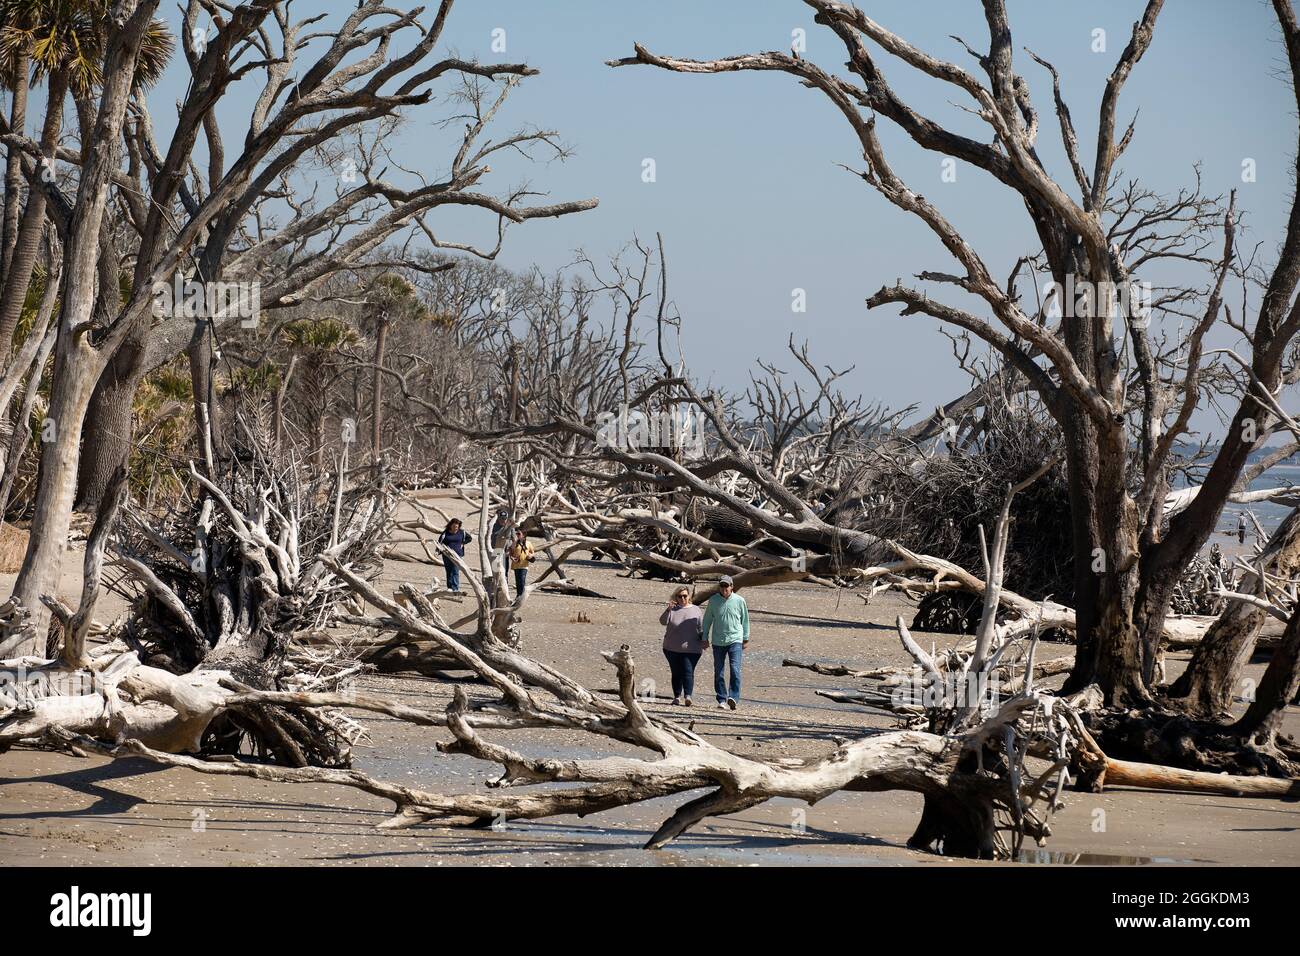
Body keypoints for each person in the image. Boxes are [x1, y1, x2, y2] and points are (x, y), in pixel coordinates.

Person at [701, 575, 749, 710]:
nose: (724, 589)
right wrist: (704, 638)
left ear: (731, 586)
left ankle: (733, 697)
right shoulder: (713, 600)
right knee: (719, 671)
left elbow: (745, 620)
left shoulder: (740, 601)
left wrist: (746, 638)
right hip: (718, 641)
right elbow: (707, 620)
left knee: (735, 669)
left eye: (726, 586)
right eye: (722, 586)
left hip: (735, 640)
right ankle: (721, 698)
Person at [659, 586, 706, 706]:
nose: (682, 598)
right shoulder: (672, 610)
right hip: (671, 648)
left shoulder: (696, 609)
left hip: (692, 648)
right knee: (676, 672)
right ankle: (677, 696)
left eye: (685, 596)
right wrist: (668, 610)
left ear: (689, 596)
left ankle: (688, 696)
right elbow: (663, 621)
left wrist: (704, 640)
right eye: (680, 596)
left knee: (688, 671)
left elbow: (701, 628)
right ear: (676, 597)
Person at [436, 518, 471, 593]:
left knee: (455, 571)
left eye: (457, 527)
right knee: (449, 571)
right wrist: (437, 551)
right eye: (454, 526)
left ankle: (455, 588)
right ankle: (449, 587)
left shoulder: (462, 532)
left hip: (458, 555)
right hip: (447, 554)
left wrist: (463, 543)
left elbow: (469, 538)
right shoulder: (445, 533)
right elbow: (440, 542)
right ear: (450, 525)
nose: (456, 528)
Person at [507, 529, 534, 596]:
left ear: (524, 535)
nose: (517, 535)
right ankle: (519, 595)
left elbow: (532, 552)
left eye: (519, 534)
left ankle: (521, 595)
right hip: (516, 564)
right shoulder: (515, 543)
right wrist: (511, 557)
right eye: (517, 534)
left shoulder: (528, 543)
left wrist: (530, 555)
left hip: (524, 565)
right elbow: (511, 552)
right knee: (518, 581)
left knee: (522, 580)